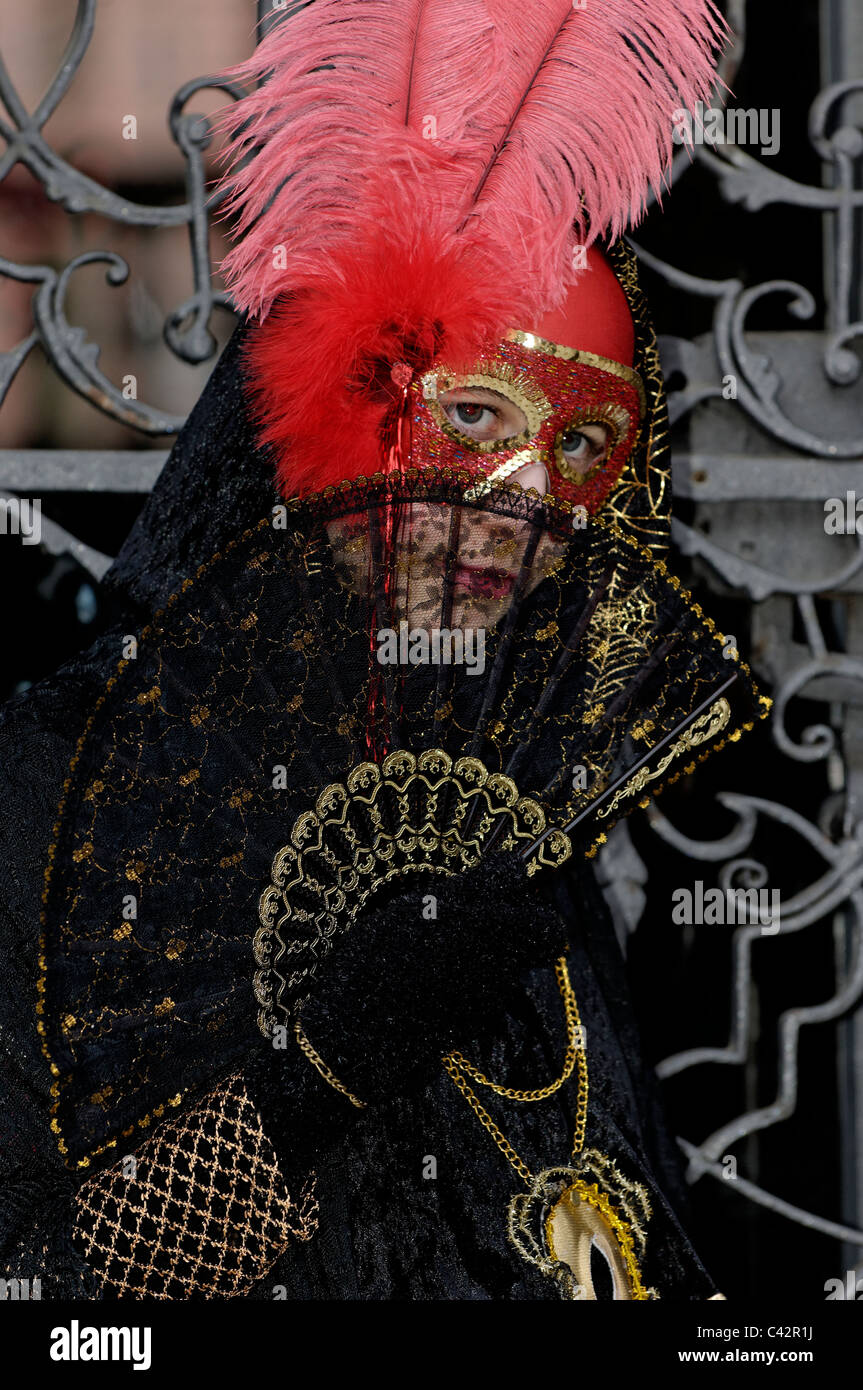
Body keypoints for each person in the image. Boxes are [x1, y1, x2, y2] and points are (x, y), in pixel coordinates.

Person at [0, 0, 762, 1300]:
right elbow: (48, 1296)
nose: (522, 501)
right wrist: (321, 1074)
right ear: (332, 410)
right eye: (475, 414)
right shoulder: (51, 790)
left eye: (582, 449)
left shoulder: (518, 830)